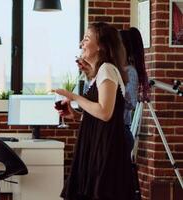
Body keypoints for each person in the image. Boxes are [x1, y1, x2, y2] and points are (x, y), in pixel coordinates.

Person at [54, 22, 134, 200]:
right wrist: (76, 116)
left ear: (101, 46)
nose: (81, 43)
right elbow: (98, 113)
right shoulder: (100, 73)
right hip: (97, 146)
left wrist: (73, 96)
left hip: (106, 148)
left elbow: (105, 113)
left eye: (87, 38)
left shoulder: (107, 69)